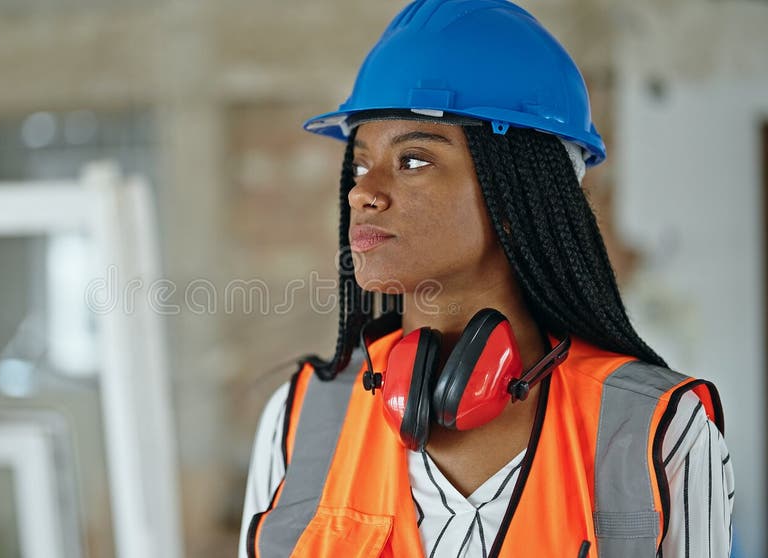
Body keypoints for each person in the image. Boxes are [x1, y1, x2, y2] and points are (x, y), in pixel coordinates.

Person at [239, 1, 734, 557]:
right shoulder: (301, 419)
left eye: (413, 160)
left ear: (518, 199)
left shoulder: (656, 431)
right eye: (358, 164)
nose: (363, 192)